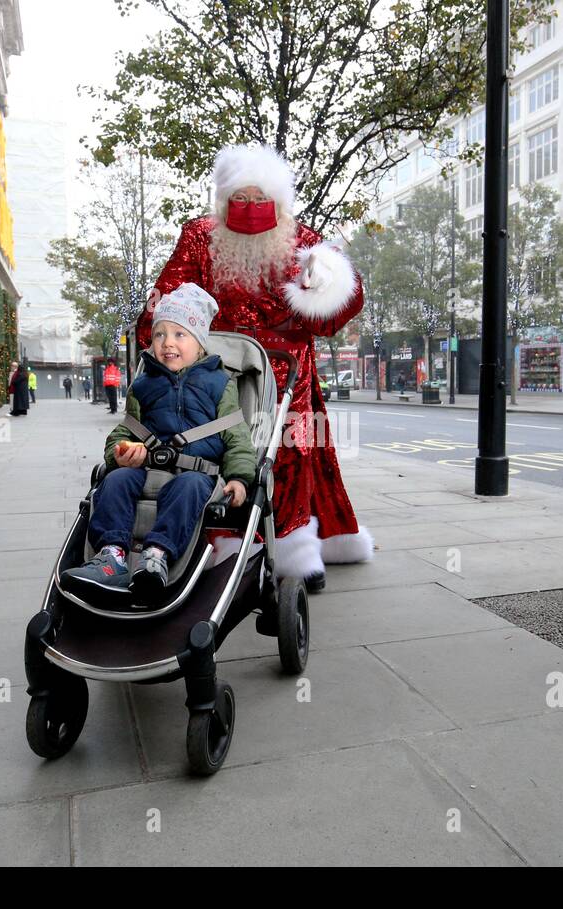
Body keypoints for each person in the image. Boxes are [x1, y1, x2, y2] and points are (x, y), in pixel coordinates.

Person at [137, 143, 373, 593]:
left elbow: (335, 313)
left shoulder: (303, 243)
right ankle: (221, 540)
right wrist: (161, 338)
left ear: (279, 202)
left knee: (290, 452)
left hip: (287, 375)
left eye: (258, 198)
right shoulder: (199, 237)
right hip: (216, 371)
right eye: (238, 199)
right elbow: (168, 297)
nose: (248, 210)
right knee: (212, 450)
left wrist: (329, 283)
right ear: (223, 200)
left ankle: (293, 550)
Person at [62, 284, 255, 603]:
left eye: (179, 334)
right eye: (159, 335)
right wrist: (120, 454)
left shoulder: (219, 384)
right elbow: (124, 433)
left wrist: (239, 478)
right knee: (115, 480)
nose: (167, 343)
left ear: (199, 343)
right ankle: (111, 557)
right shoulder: (143, 385)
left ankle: (157, 555)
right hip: (146, 469)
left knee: (189, 487)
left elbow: (236, 437)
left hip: (196, 474)